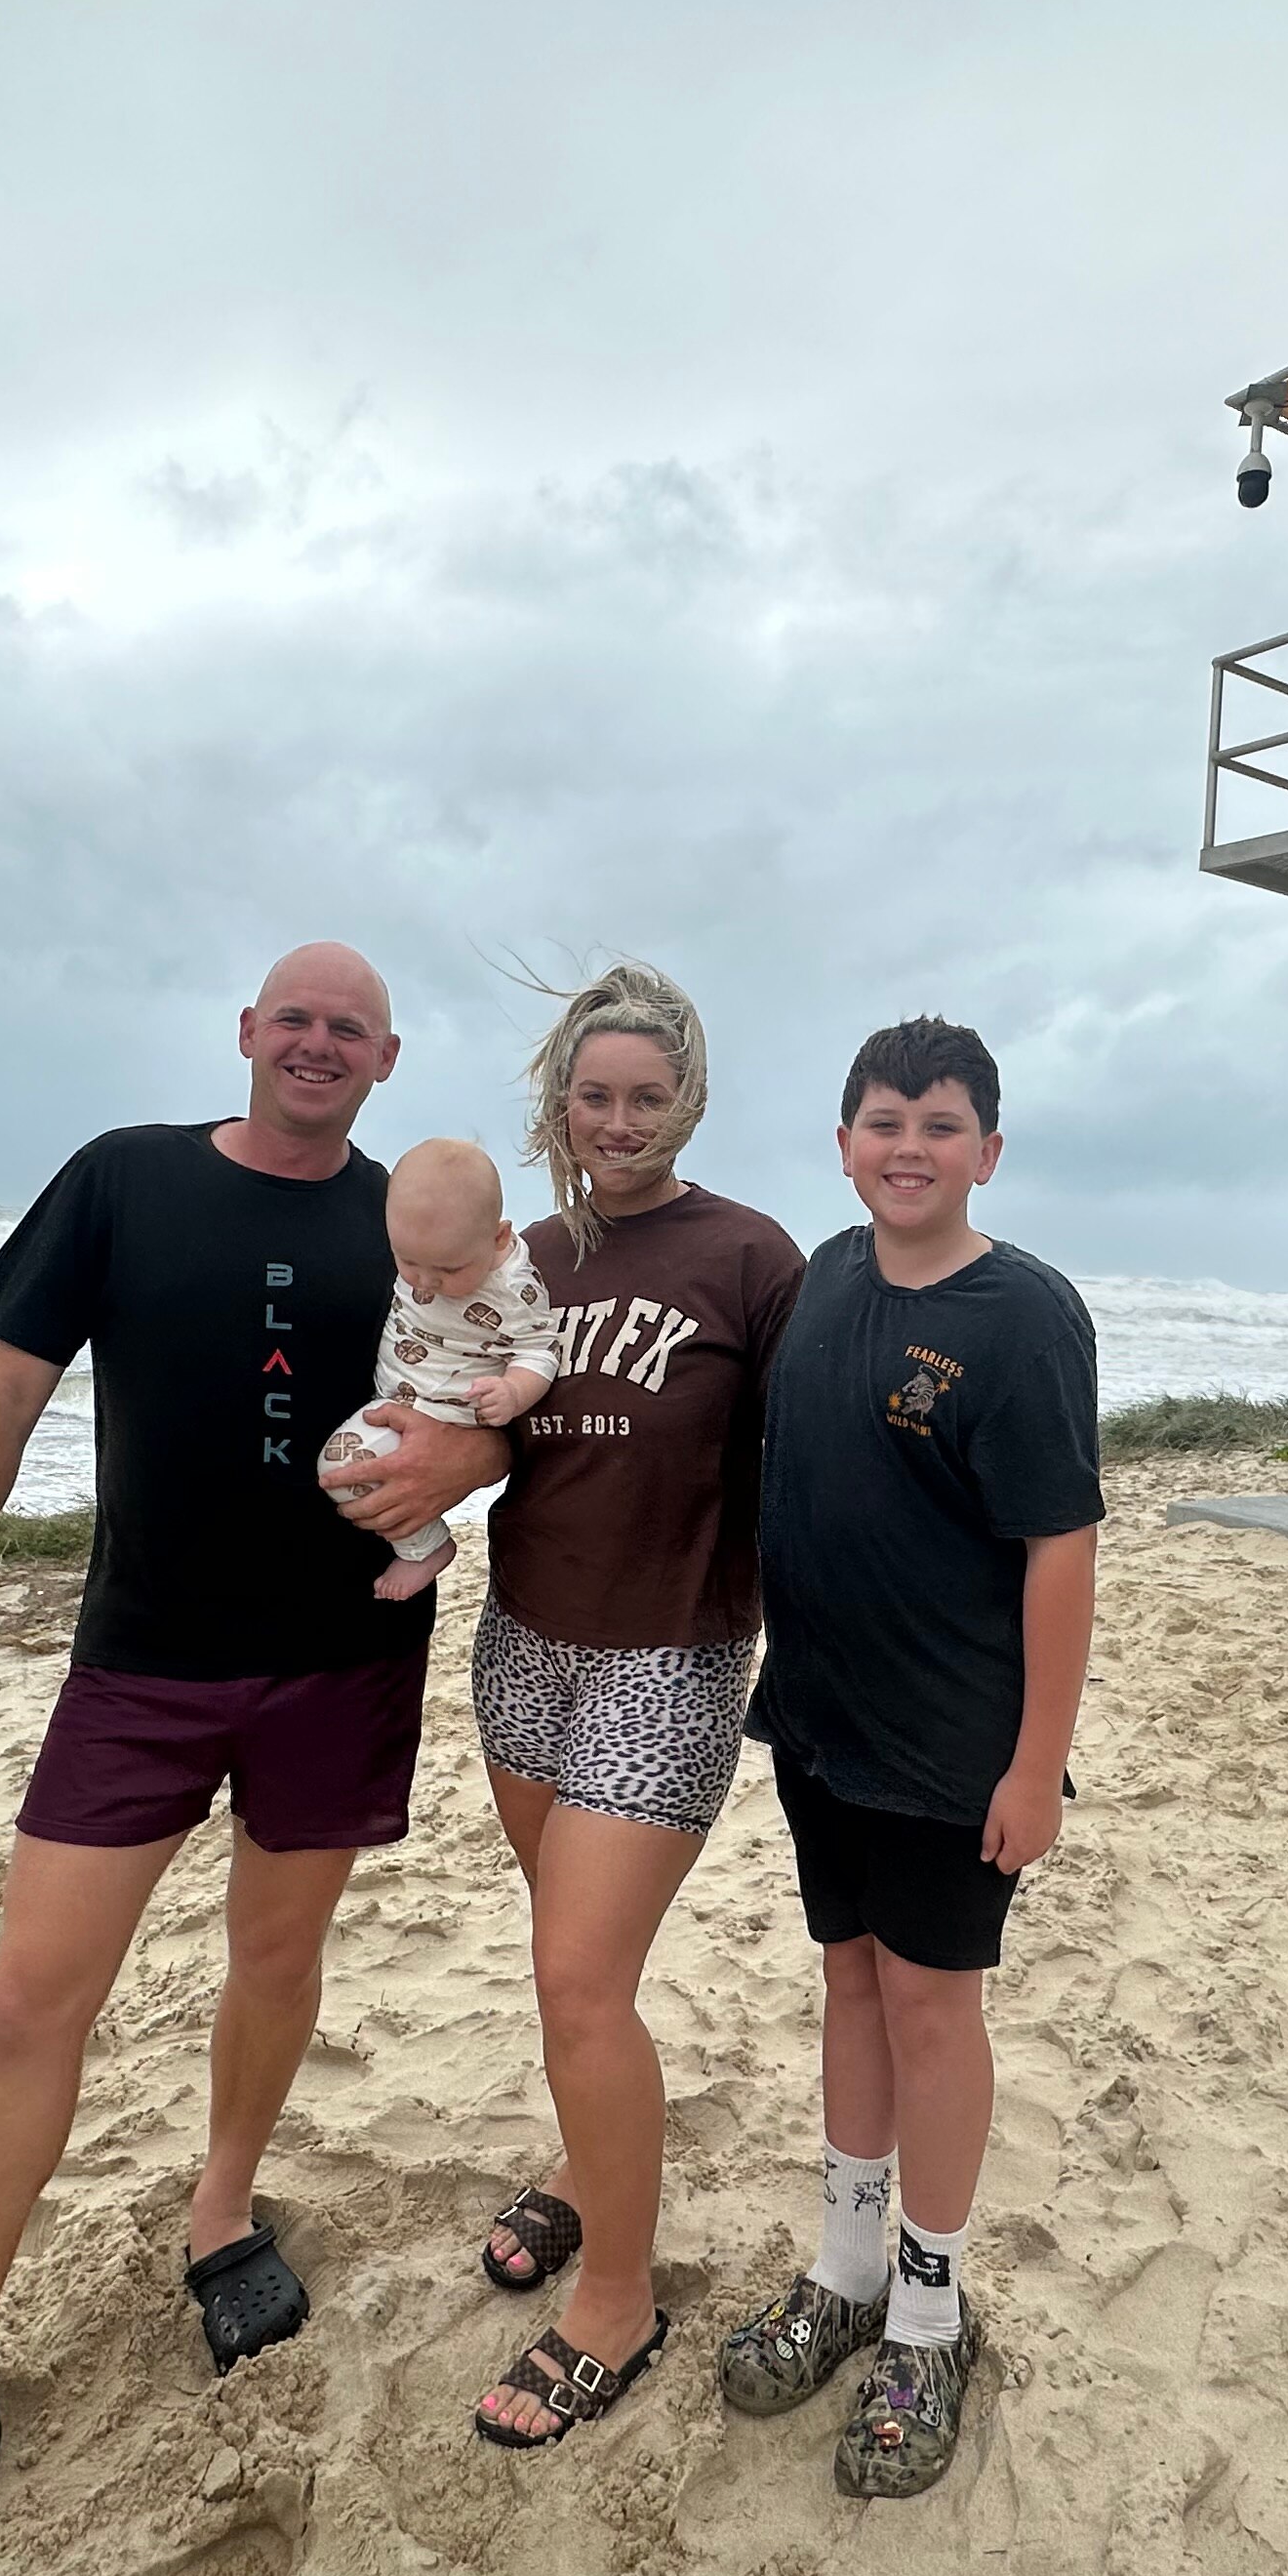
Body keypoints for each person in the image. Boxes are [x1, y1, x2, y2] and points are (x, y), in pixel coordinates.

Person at [0, 943, 509, 2576]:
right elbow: (1, 1399)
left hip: (336, 1662)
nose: (318, 1042)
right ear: (249, 1035)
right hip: (140, 1665)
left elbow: (502, 1387)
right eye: (293, 1017)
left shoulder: (416, 1217)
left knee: (274, 1955)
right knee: (29, 1995)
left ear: (385, 1059)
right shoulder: (122, 1177)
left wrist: (467, 1465)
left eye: (349, 1026)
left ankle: (222, 2204)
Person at [714, 1016, 1100, 2499]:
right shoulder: (823, 1278)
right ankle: (847, 2266)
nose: (910, 1147)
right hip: (818, 1723)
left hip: (954, 1744)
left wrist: (1034, 1762)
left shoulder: (1025, 1316)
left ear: (986, 1151)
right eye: (885, 1120)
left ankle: (930, 2315)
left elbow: (1060, 1550)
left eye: (941, 1124)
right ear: (844, 1141)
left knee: (937, 2010)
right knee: (852, 1982)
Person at [462, 963, 806, 2446]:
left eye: (645, 1097)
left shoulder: (750, 1257)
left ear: (691, 1103)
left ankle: (618, 2293)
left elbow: (810, 1467)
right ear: (560, 1104)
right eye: (594, 1096)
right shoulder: (523, 1257)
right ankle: (590, 2163)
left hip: (672, 1655)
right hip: (524, 1641)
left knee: (577, 1984)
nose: (619, 1120)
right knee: (567, 1965)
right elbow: (463, 1433)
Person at [319, 1138, 560, 1601]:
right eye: (408, 1262)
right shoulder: (427, 1245)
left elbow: (540, 1350)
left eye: (449, 1270)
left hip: (446, 1411)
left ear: (499, 1239)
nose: (426, 1282)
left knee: (340, 1464)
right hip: (396, 1391)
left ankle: (425, 1548)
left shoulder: (513, 1291)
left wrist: (512, 1392)